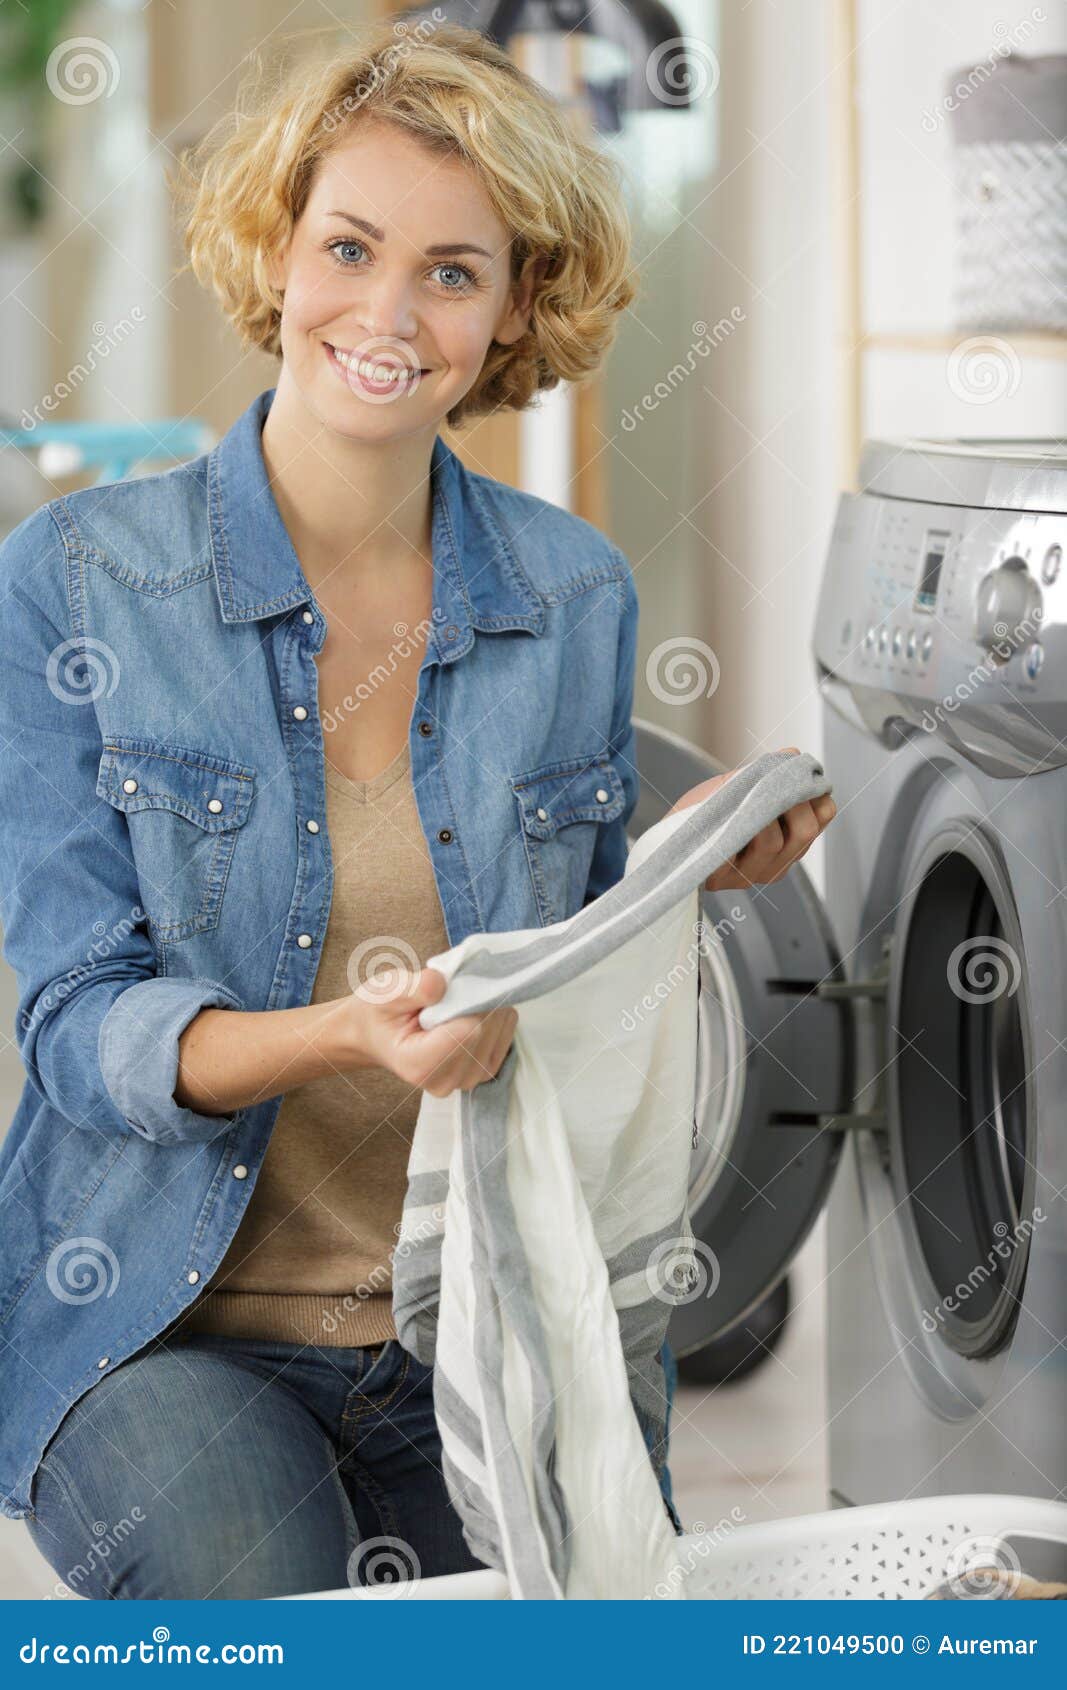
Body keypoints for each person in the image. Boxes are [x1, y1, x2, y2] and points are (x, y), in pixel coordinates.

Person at [0, 20, 834, 1600]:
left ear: (518, 302)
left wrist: (689, 874)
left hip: (482, 1321)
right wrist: (345, 1032)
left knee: (573, 1637)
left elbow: (566, 1003)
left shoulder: (570, 590)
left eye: (452, 271)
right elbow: (78, 1027)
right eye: (351, 247)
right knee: (285, 1613)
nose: (387, 313)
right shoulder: (79, 583)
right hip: (166, 1332)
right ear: (278, 247)